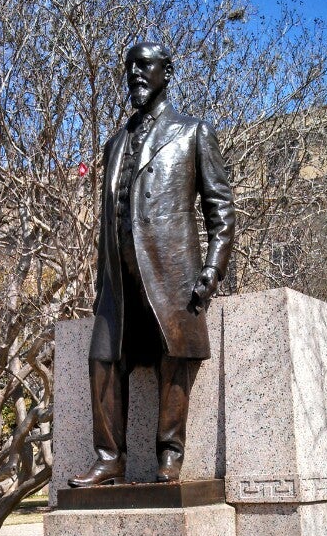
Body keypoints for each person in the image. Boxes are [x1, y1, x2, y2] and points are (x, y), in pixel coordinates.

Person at [69, 41, 235, 487]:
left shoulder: (193, 132)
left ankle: (170, 454)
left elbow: (220, 210)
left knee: (172, 358)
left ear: (168, 70)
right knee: (102, 359)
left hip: (171, 275)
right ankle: (110, 458)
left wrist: (211, 270)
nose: (135, 74)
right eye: (129, 67)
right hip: (118, 282)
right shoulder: (115, 143)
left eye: (145, 66)